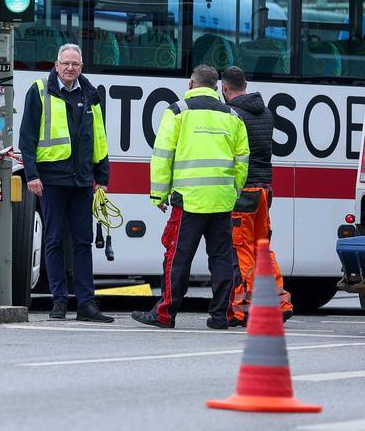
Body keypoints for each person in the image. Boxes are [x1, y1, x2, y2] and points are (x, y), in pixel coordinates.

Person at [132, 65, 248, 330]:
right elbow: (242, 161)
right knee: (221, 258)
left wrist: (159, 194)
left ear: (191, 85)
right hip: (221, 200)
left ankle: (165, 314)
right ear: (217, 87)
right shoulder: (232, 116)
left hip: (188, 200)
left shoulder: (177, 112)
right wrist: (234, 192)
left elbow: (162, 156)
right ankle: (219, 316)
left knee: (178, 257)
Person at [18, 43, 114, 322]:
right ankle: (58, 302)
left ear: (81, 68)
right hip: (52, 180)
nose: (70, 68)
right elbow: (27, 137)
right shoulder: (38, 91)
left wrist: (102, 177)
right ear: (56, 65)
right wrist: (32, 175)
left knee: (83, 243)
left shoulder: (91, 95)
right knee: (54, 240)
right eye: (66, 64)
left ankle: (86, 304)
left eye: (75, 64)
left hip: (82, 181)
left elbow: (99, 139)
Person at [220, 66, 293, 324]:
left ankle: (243, 308)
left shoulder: (232, 115)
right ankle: (281, 301)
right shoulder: (266, 113)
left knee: (241, 249)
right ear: (246, 83)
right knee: (263, 249)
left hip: (244, 191)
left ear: (224, 88)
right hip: (264, 190)